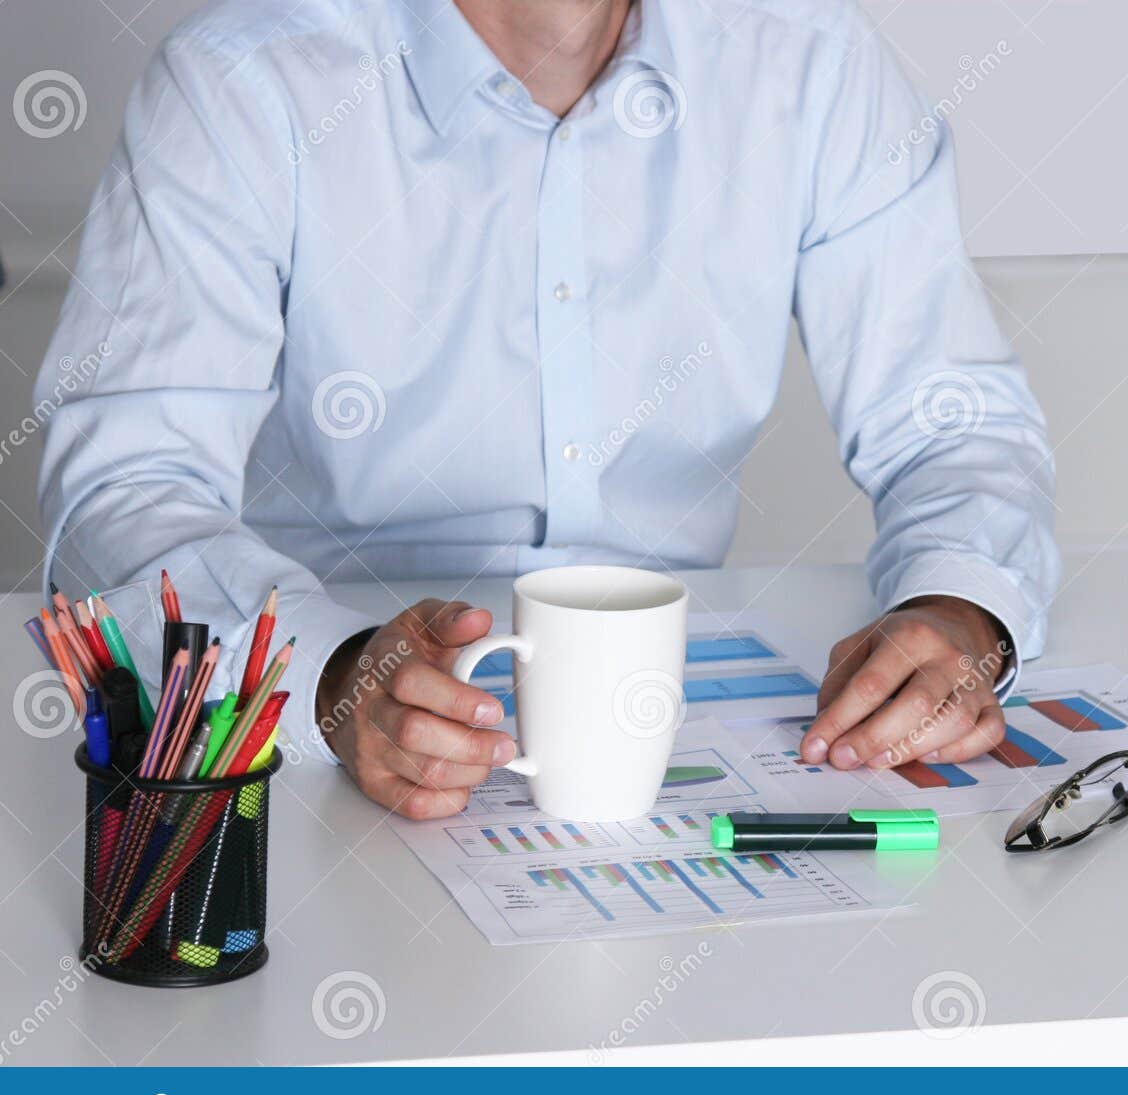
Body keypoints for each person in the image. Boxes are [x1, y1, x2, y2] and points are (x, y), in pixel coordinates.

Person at [35, 0, 1060, 818]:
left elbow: (953, 422)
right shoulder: (241, 79)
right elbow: (126, 488)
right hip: (319, 768)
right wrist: (335, 678)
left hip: (683, 742)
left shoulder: (811, 58)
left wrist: (961, 606)